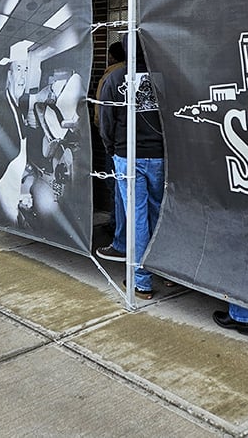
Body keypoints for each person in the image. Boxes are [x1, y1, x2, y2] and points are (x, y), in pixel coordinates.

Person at [99, 34, 164, 300]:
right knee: (159, 214)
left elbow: (106, 121)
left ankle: (142, 281)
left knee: (136, 219)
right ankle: (167, 273)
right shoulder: (161, 77)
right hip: (160, 155)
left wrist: (111, 149)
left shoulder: (114, 78)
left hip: (128, 155)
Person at [94, 41, 127, 263]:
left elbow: (104, 113)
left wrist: (108, 144)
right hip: (146, 147)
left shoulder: (112, 76)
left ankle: (119, 234)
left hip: (118, 145)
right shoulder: (148, 73)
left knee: (116, 187)